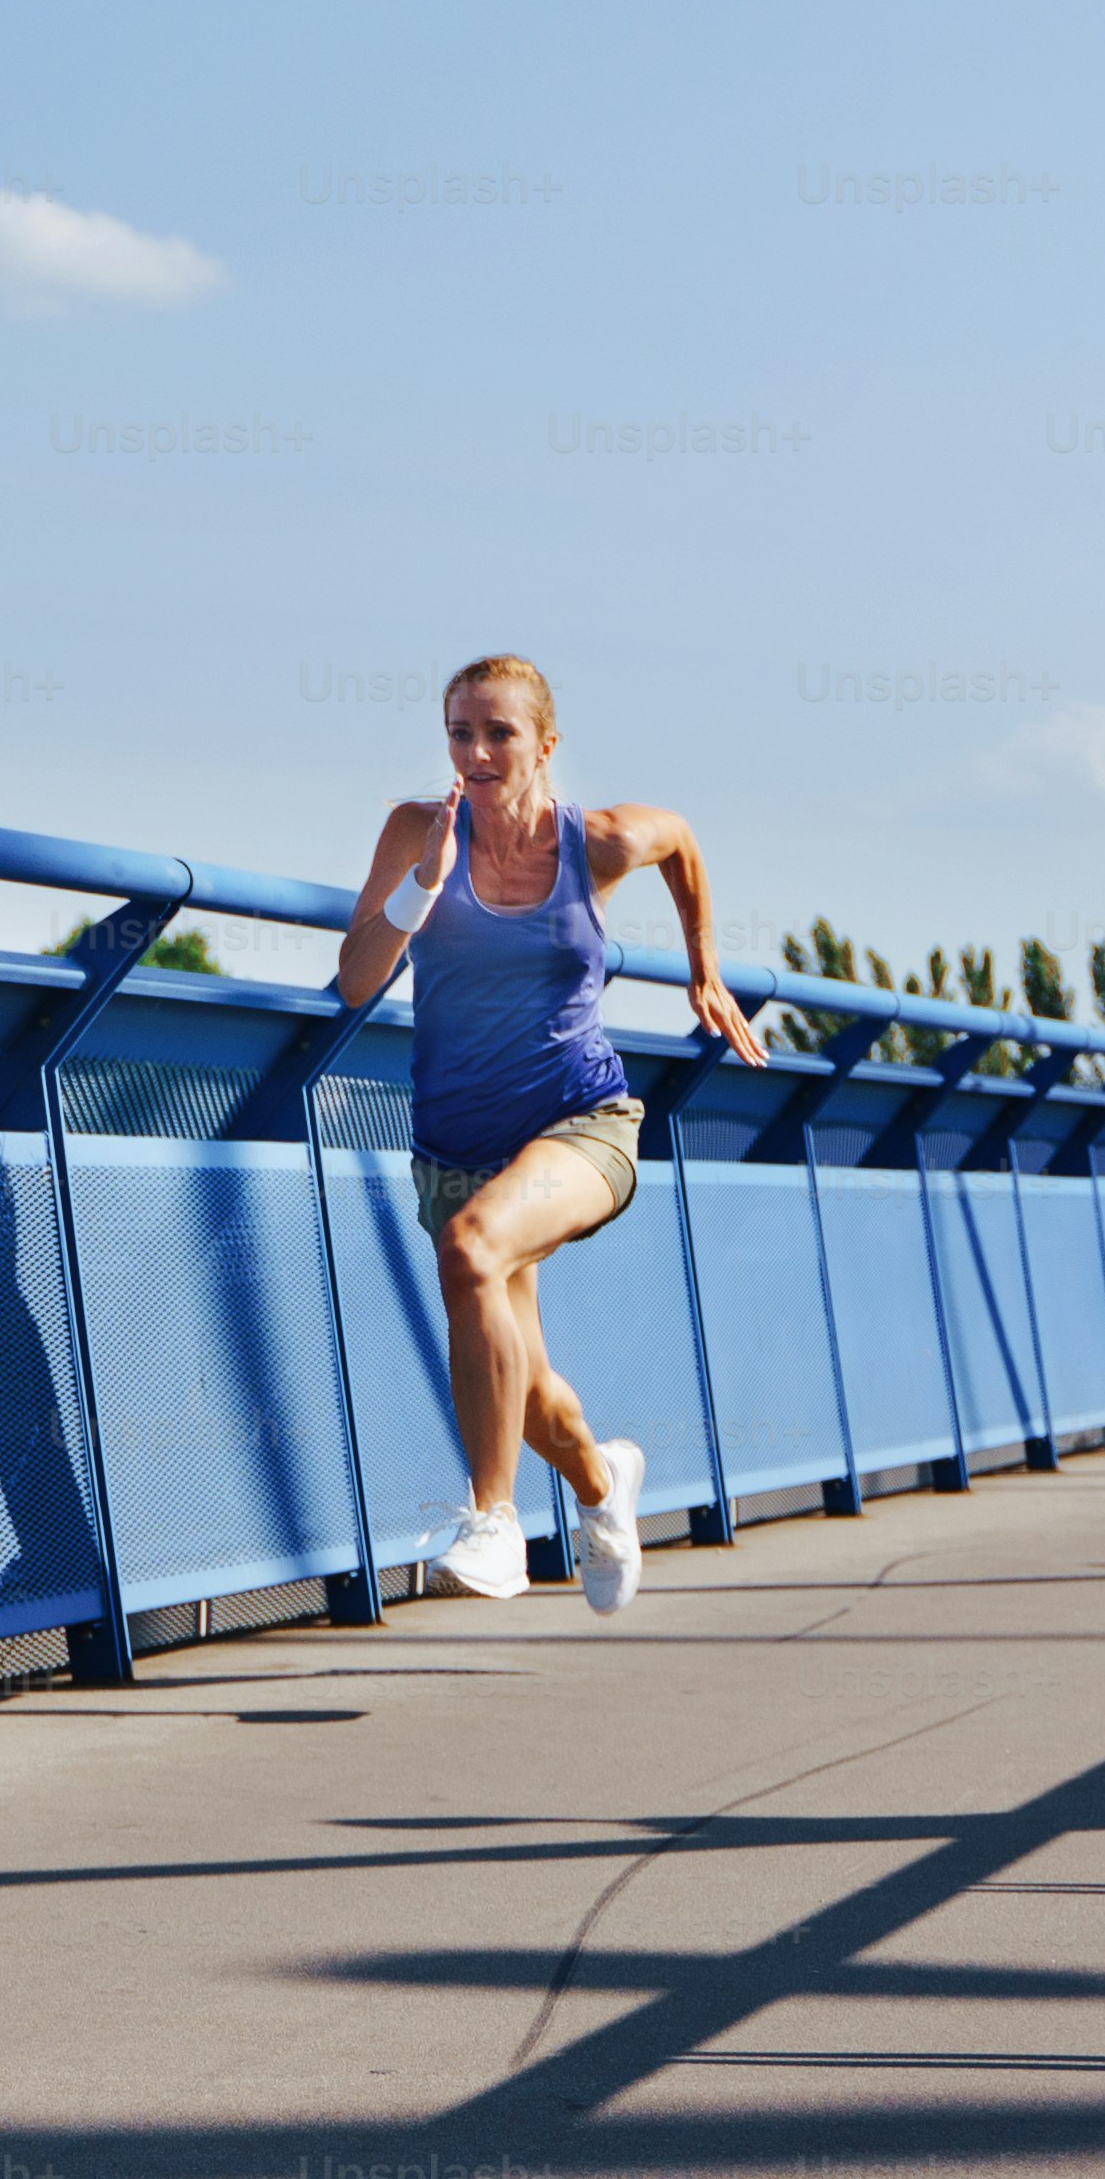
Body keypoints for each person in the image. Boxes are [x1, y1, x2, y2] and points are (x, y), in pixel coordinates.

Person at [327, 653, 765, 1615]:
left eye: (499, 733)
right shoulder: (415, 831)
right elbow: (356, 981)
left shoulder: (596, 842)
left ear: (545, 744)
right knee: (521, 1389)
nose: (476, 753)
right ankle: (604, 1484)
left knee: (471, 1247)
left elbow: (680, 840)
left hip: (581, 1123)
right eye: (460, 733)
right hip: (455, 1147)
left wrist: (704, 968)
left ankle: (493, 1521)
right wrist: (423, 886)